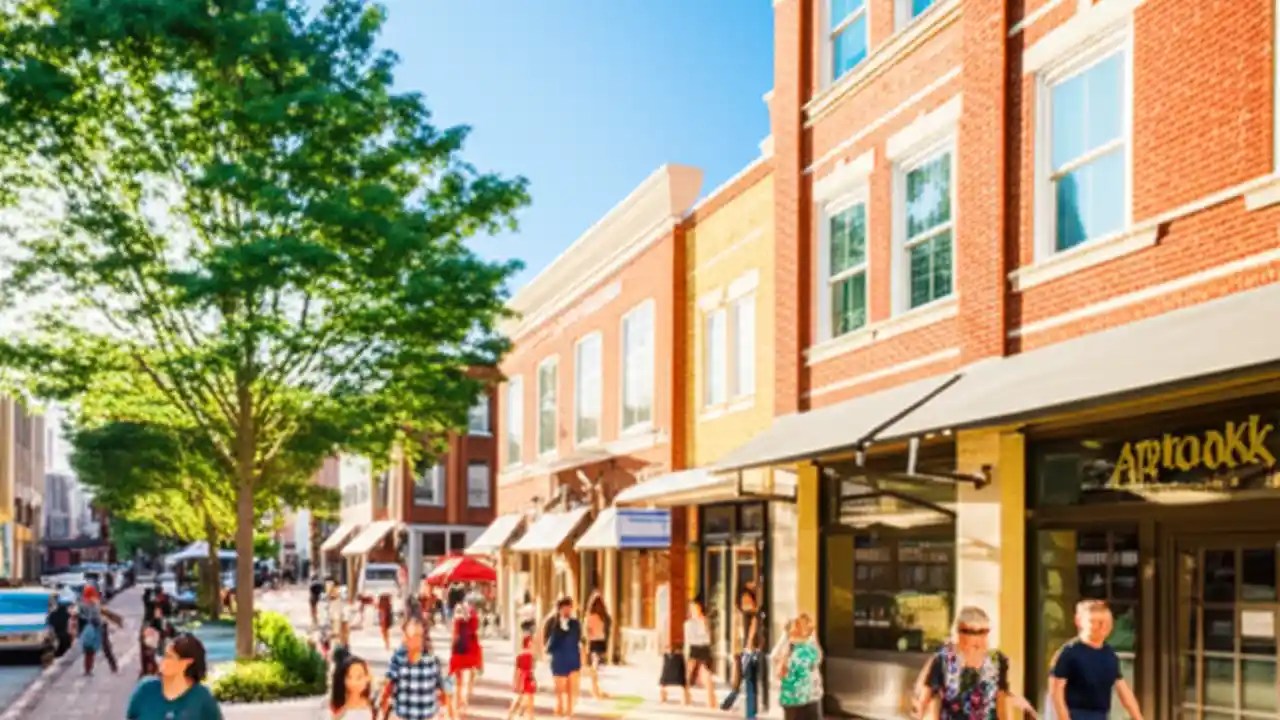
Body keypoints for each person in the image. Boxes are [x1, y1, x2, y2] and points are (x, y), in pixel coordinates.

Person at [918, 607, 1037, 720]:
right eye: (971, 632)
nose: (978, 639)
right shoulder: (943, 660)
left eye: (983, 632)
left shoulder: (997, 661)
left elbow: (1003, 699)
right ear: (959, 633)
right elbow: (927, 699)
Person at [1050, 600, 1144, 720]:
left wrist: (1138, 717)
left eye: (1107, 622)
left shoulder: (1109, 654)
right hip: (1075, 714)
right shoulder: (1068, 653)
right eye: (1095, 622)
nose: (1102, 626)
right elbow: (1056, 693)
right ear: (1079, 622)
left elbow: (1123, 691)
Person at [126, 633, 223, 720]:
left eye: (170, 657)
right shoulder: (145, 689)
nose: (163, 661)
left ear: (187, 662)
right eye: (164, 655)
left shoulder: (202, 697)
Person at [379, 615, 455, 720]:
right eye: (412, 636)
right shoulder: (398, 660)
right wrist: (383, 707)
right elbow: (387, 687)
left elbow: (443, 689)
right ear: (405, 638)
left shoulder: (432, 662)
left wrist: (448, 713)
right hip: (403, 716)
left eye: (419, 636)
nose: (416, 640)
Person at [721, 586, 764, 719]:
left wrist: (749, 649)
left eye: (748, 600)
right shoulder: (740, 616)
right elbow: (737, 635)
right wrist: (736, 651)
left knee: (749, 683)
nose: (745, 603)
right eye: (743, 600)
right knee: (742, 681)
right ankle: (735, 702)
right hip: (742, 652)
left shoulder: (755, 615)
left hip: (751, 652)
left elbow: (753, 634)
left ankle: (749, 713)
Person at [772, 614, 823, 720]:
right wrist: (786, 636)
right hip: (793, 699)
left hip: (810, 698)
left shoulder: (810, 645)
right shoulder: (789, 645)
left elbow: (818, 659)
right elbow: (775, 658)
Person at [544, 596, 582, 719]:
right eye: (565, 607)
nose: (567, 610)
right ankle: (560, 710)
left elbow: (579, 639)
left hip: (572, 658)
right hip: (558, 658)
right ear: (559, 608)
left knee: (572, 688)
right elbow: (546, 640)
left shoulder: (575, 623)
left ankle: (570, 713)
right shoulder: (552, 622)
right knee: (560, 690)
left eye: (569, 608)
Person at [79, 584, 123, 675]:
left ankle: (88, 669)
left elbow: (87, 616)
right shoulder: (93, 602)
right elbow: (97, 615)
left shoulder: (84, 603)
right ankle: (113, 667)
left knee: (90, 649)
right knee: (105, 647)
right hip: (99, 626)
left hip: (92, 627)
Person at [449, 601, 484, 710]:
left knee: (458, 682)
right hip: (471, 653)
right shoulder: (472, 623)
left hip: (458, 653)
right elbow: (477, 638)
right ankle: (465, 698)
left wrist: (452, 651)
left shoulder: (457, 622)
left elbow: (454, 637)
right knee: (469, 677)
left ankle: (458, 703)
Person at [684, 597, 716, 708]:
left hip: (704, 648)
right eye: (692, 608)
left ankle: (711, 701)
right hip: (694, 648)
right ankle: (686, 699)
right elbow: (688, 639)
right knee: (687, 674)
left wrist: (704, 624)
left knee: (707, 674)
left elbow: (708, 638)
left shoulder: (705, 621)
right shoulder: (688, 623)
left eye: (696, 607)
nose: (695, 609)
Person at [330, 655, 375, 720]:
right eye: (349, 677)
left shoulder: (370, 704)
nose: (354, 682)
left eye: (359, 677)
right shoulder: (338, 706)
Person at [584, 591, 610, 701]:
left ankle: (595, 690)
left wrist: (586, 644)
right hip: (601, 642)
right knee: (599, 668)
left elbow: (587, 632)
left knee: (594, 668)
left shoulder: (589, 617)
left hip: (593, 642)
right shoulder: (604, 616)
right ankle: (597, 690)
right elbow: (606, 630)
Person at [506, 633, 538, 720]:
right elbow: (532, 669)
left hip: (522, 678)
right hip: (528, 678)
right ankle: (528, 716)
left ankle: (511, 715)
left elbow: (516, 670)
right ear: (529, 643)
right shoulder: (531, 656)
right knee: (528, 700)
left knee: (520, 699)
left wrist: (514, 682)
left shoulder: (520, 655)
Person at [45, 593, 72, 658]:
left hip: (58, 636)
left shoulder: (52, 615)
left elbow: (50, 626)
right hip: (65, 635)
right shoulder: (67, 614)